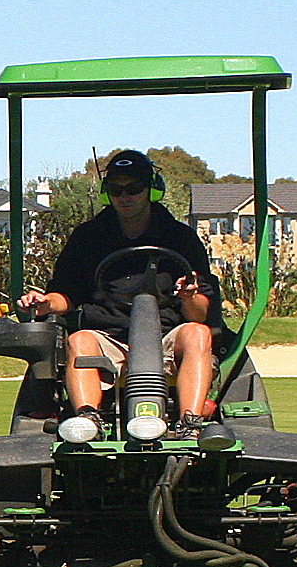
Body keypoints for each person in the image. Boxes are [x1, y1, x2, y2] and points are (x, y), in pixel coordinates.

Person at [15, 149, 223, 433]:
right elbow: (67, 293)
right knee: (79, 340)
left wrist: (189, 296)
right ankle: (88, 420)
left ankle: (191, 422)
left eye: (134, 188)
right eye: (116, 189)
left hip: (167, 340)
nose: (125, 196)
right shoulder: (89, 237)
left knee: (198, 333)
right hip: (109, 338)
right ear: (107, 192)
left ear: (150, 189)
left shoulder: (180, 237)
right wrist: (44, 304)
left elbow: (200, 314)